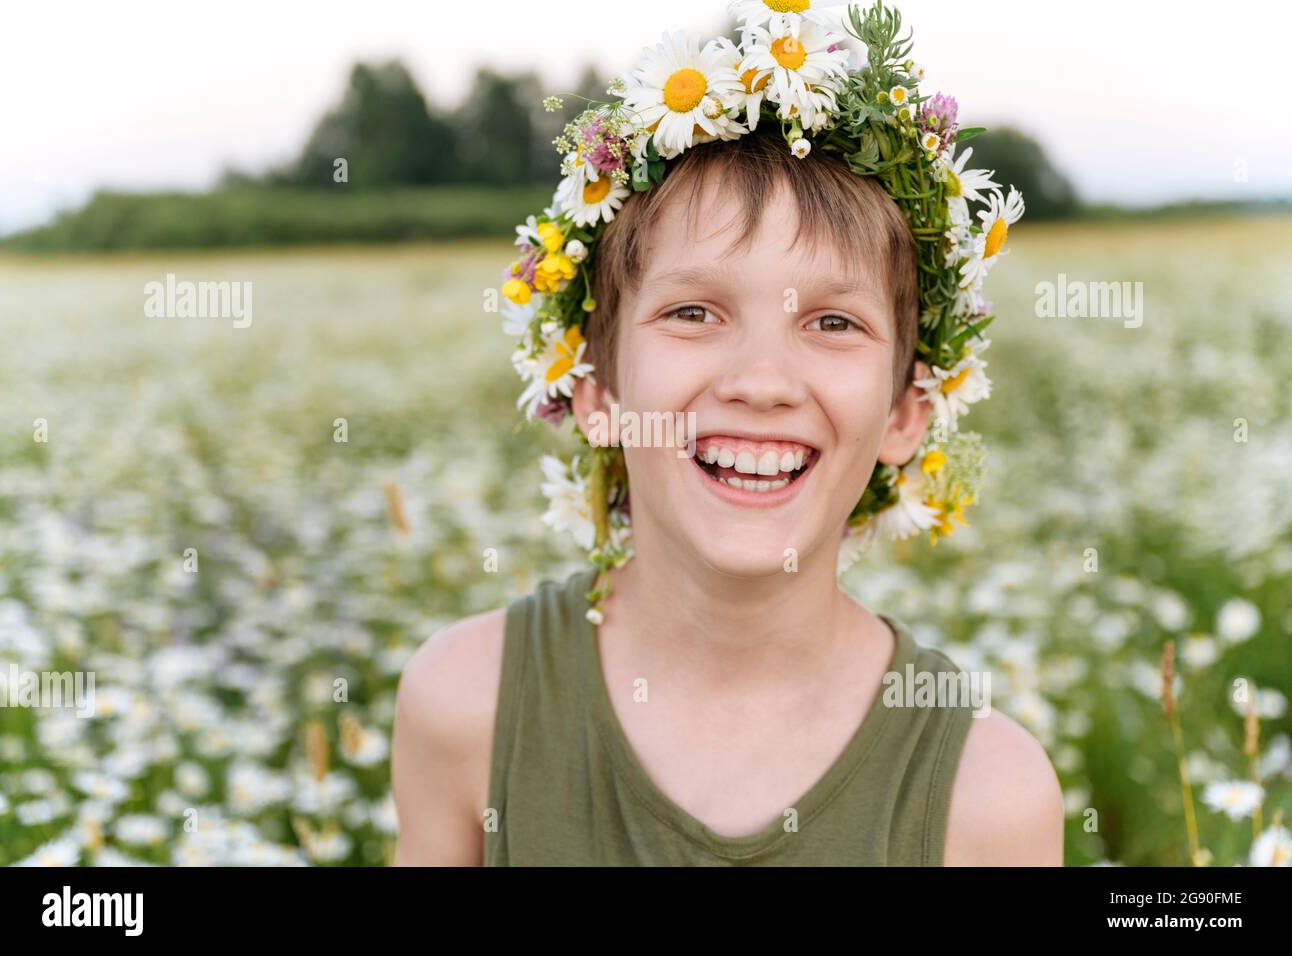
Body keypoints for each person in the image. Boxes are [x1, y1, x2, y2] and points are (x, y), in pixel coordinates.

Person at [393, 0, 1064, 866]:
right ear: (595, 389)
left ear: (907, 412)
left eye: (833, 323)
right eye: (694, 311)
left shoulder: (988, 796)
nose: (761, 383)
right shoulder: (467, 706)